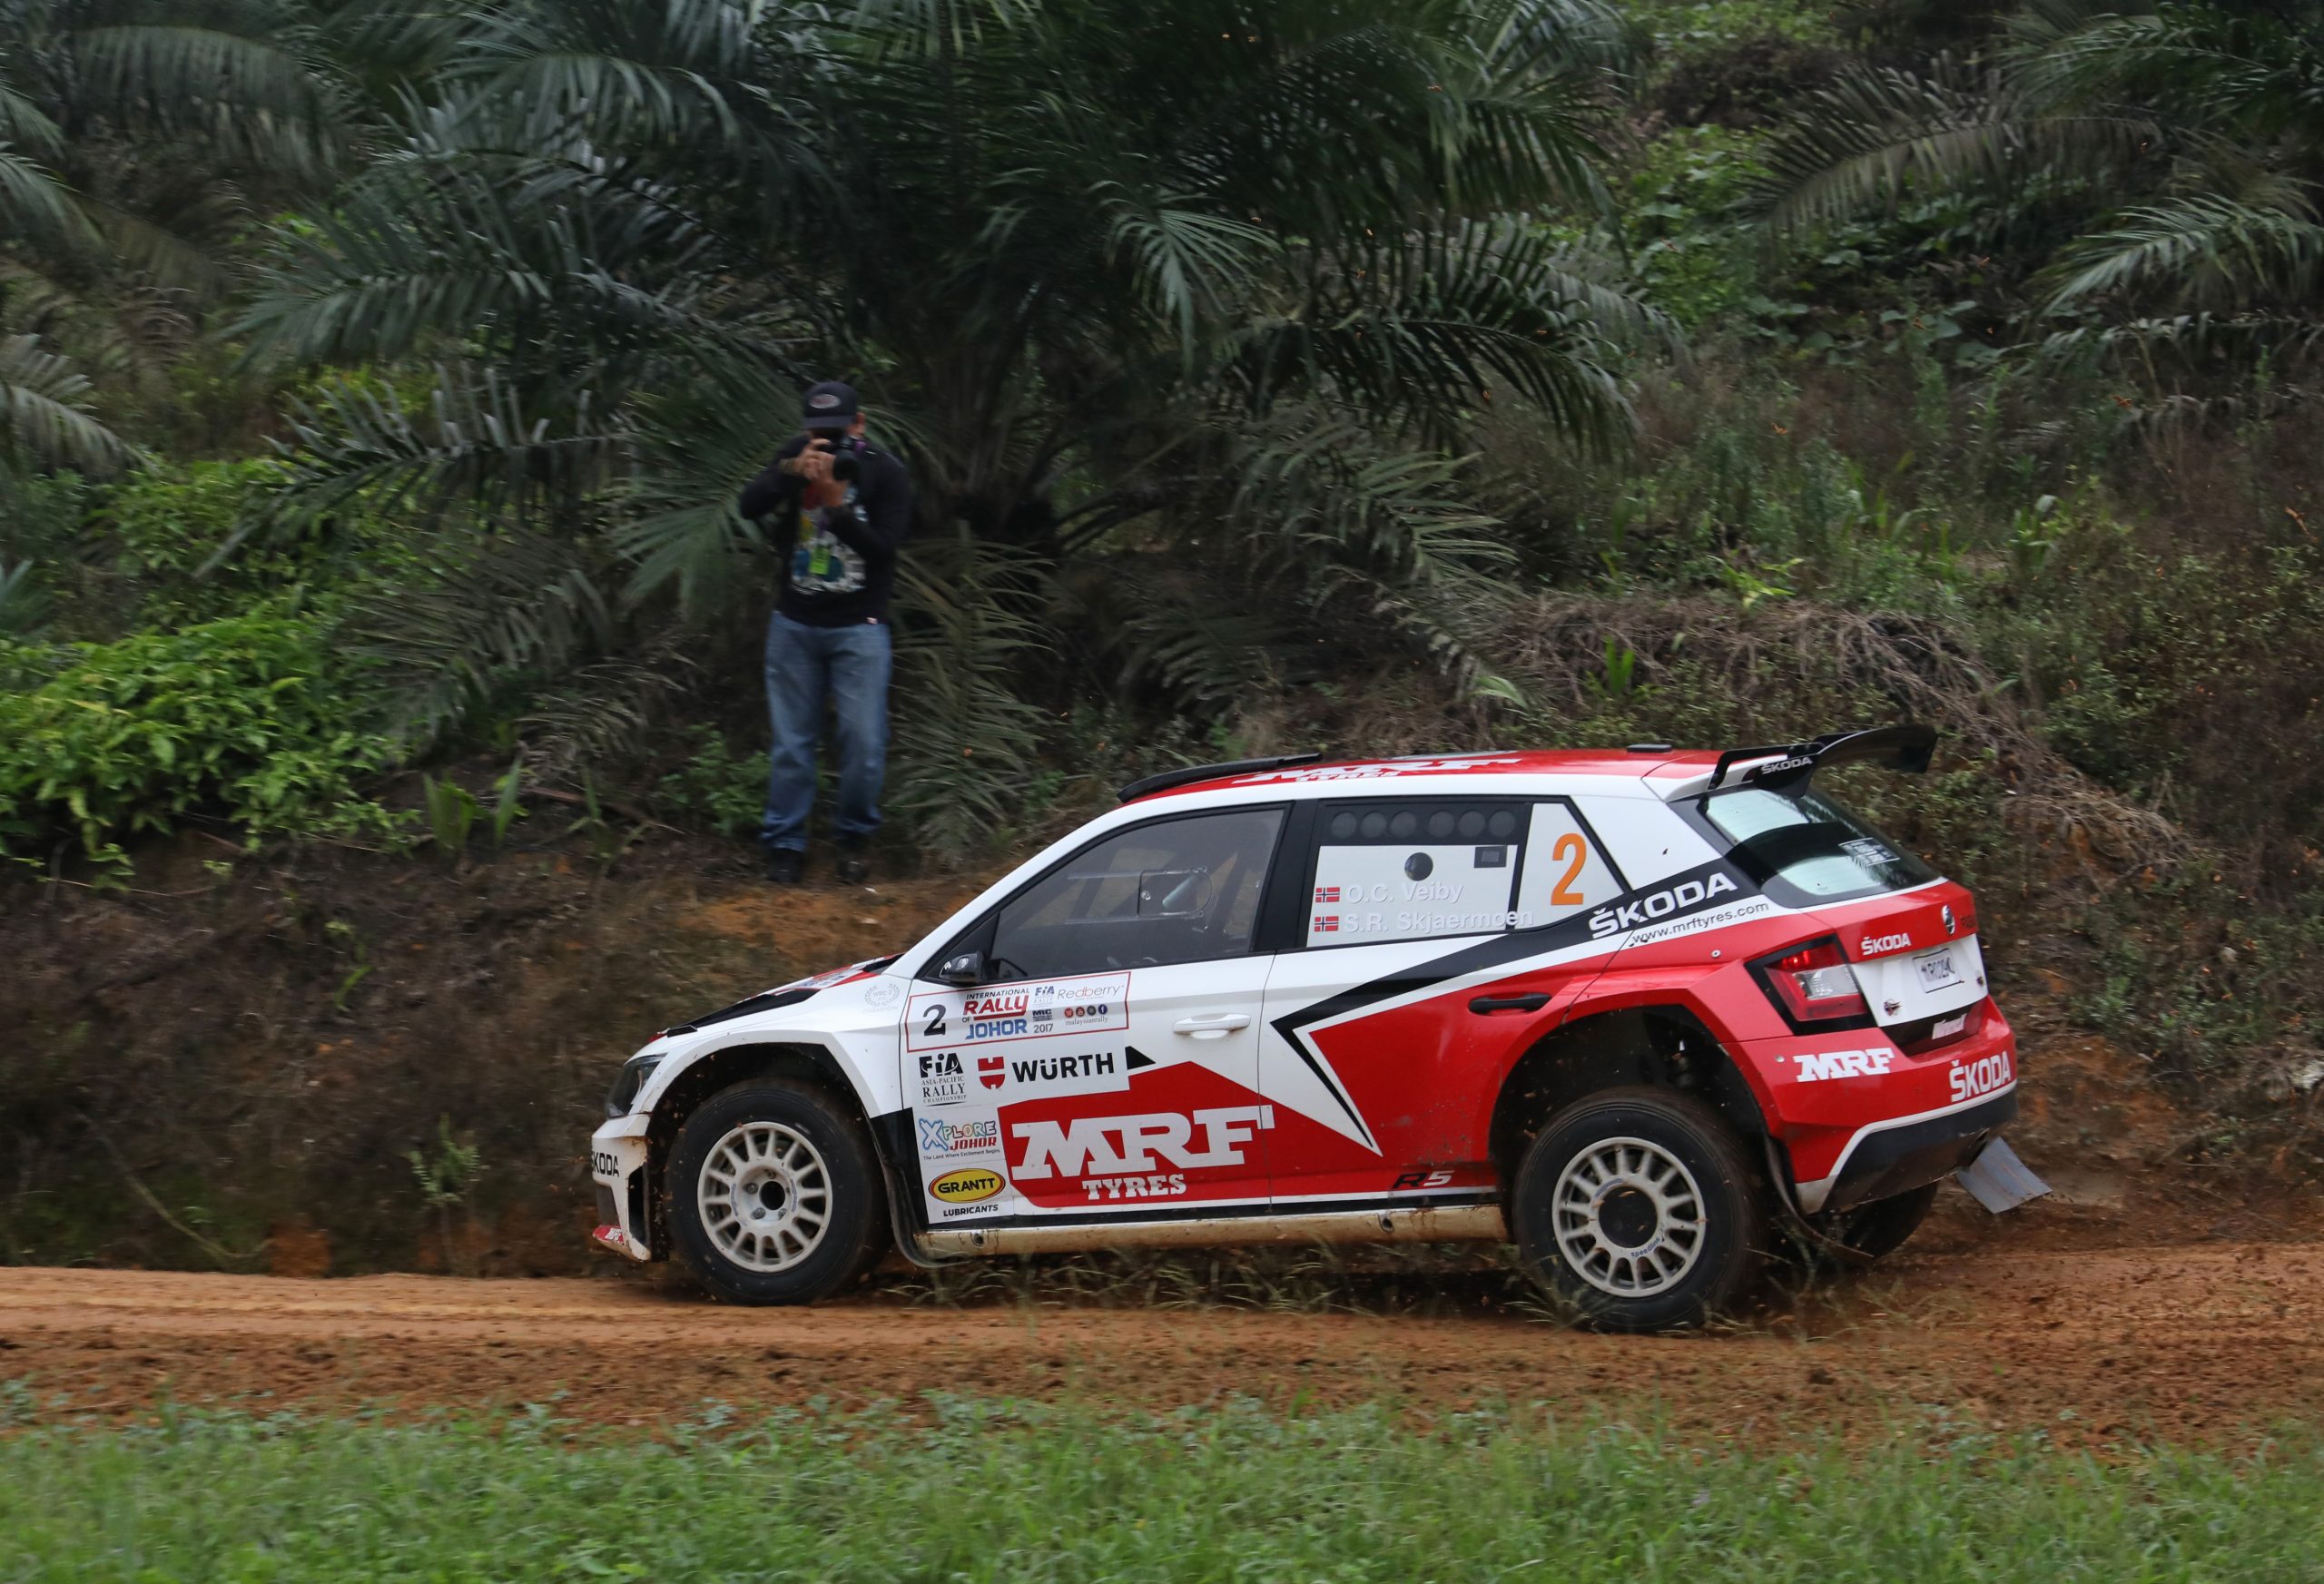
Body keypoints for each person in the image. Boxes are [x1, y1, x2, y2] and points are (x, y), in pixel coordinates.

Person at [737, 380, 913, 885]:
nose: (827, 442)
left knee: (863, 741)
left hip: (860, 626)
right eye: (818, 432)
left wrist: (836, 506)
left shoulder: (885, 471)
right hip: (794, 624)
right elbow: (749, 506)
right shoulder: (796, 456)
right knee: (792, 744)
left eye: (837, 432)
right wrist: (788, 473)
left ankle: (853, 838)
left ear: (859, 425)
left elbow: (885, 550)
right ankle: (785, 846)